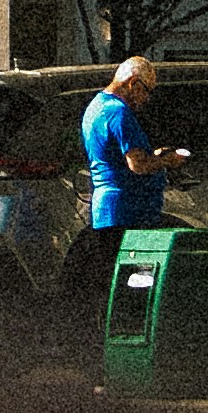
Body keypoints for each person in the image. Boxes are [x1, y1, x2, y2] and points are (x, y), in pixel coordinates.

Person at [76, 49, 171, 301]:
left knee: (110, 281)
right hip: (130, 210)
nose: (146, 99)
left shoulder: (96, 106)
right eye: (146, 90)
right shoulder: (120, 113)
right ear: (132, 83)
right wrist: (168, 160)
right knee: (136, 284)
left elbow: (112, 153)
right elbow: (137, 164)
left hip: (106, 209)